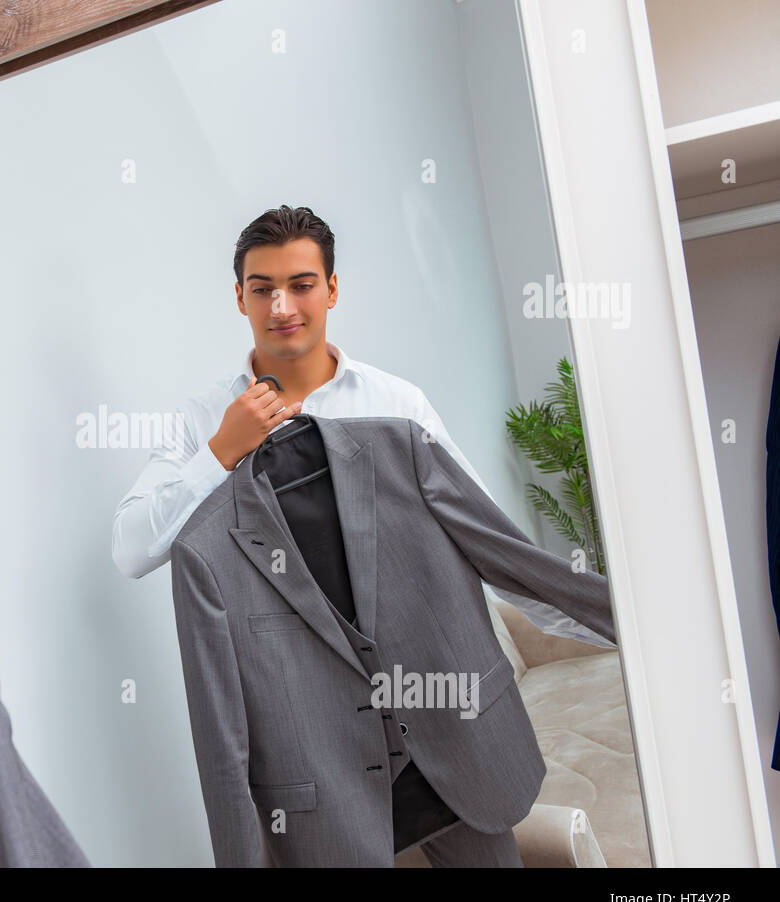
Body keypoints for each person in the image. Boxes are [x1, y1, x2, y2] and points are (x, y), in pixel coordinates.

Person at [112, 204, 609, 645]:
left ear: (330, 290)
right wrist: (222, 451)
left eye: (301, 286)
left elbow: (485, 539)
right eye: (263, 290)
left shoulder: (397, 403)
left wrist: (619, 630)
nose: (281, 307)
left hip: (416, 665)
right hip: (291, 684)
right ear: (241, 298)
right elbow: (131, 552)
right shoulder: (204, 419)